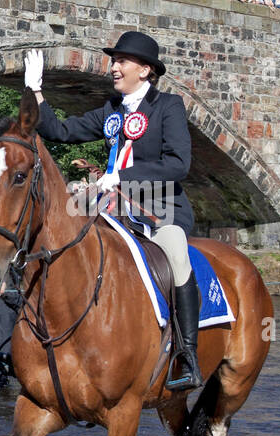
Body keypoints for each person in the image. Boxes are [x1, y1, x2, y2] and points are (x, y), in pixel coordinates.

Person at [26, 32, 203, 390]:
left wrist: (122, 175)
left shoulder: (168, 106)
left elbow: (178, 164)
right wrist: (36, 93)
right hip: (113, 208)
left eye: (122, 61)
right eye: (114, 60)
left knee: (177, 258)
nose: (114, 67)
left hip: (160, 208)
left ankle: (187, 356)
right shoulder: (110, 110)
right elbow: (60, 131)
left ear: (146, 70)